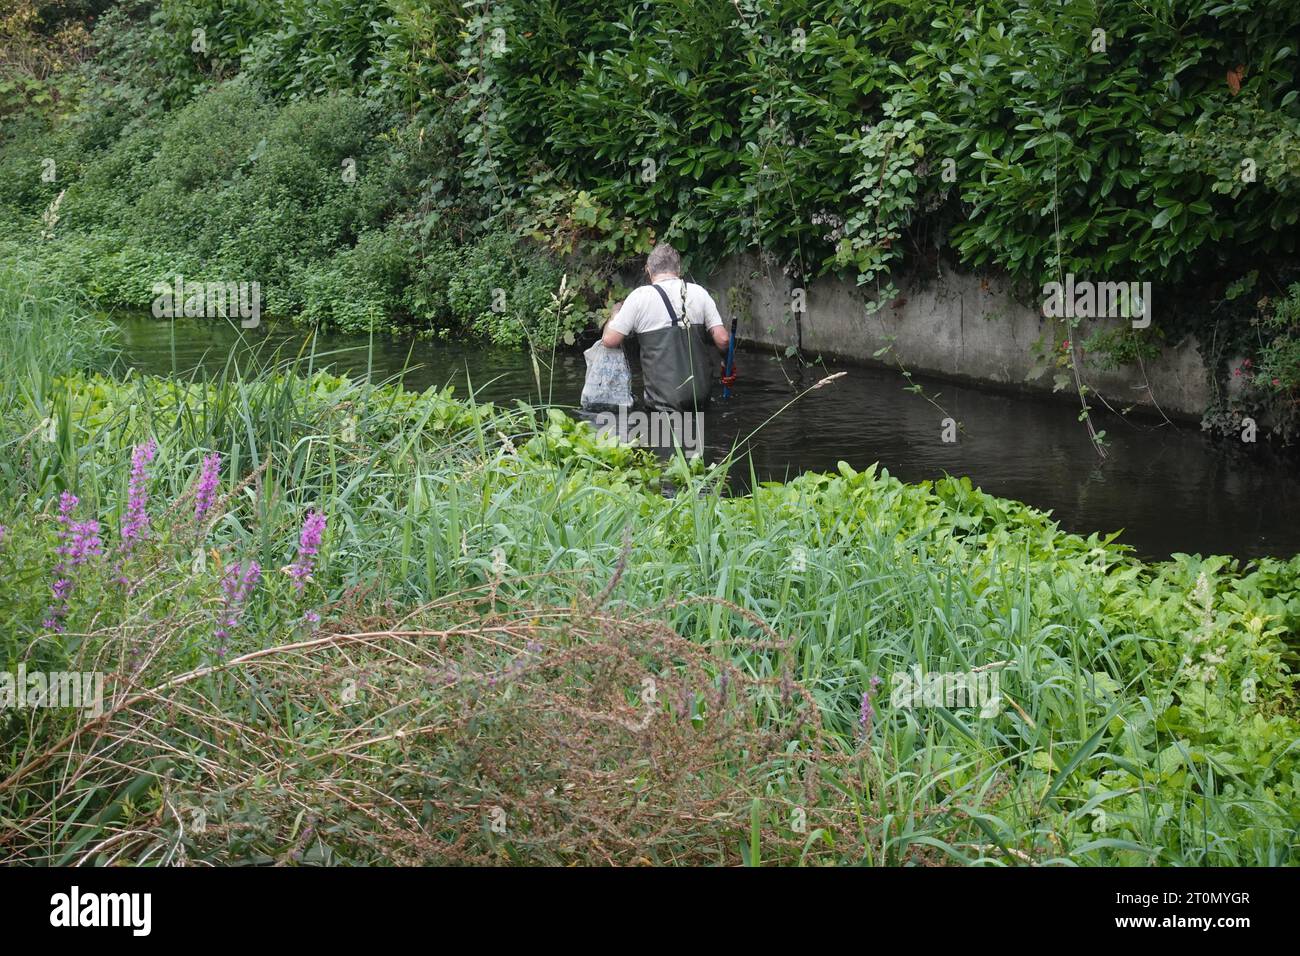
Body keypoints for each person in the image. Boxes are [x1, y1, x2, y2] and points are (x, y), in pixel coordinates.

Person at [601, 243, 733, 412]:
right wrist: (726, 361)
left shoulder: (639, 297)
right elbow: (723, 340)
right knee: (701, 435)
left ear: (648, 270)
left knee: (663, 436)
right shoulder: (699, 292)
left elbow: (609, 340)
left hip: (662, 404)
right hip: (701, 399)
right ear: (679, 269)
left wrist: (614, 313)